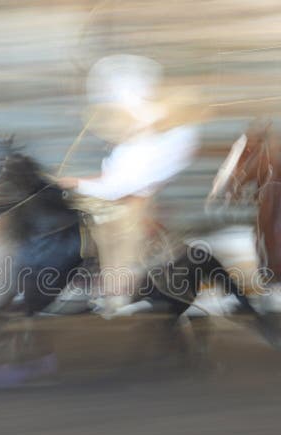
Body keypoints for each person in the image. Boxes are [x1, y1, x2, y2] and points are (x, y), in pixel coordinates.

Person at [56, 54, 202, 314]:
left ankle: (116, 290)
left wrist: (75, 182)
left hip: (131, 202)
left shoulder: (152, 143)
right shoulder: (131, 143)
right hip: (116, 193)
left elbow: (118, 186)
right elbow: (110, 179)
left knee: (111, 233)